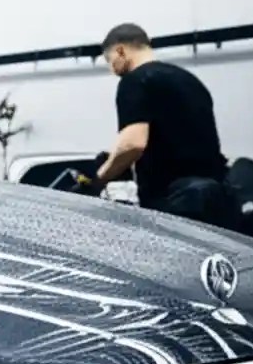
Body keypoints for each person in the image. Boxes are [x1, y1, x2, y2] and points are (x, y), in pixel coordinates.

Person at [74, 23, 236, 228]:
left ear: (120, 50)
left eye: (109, 60)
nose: (112, 69)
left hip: (177, 203)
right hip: (217, 197)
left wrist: (98, 179)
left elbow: (132, 145)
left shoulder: (135, 81)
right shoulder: (189, 80)